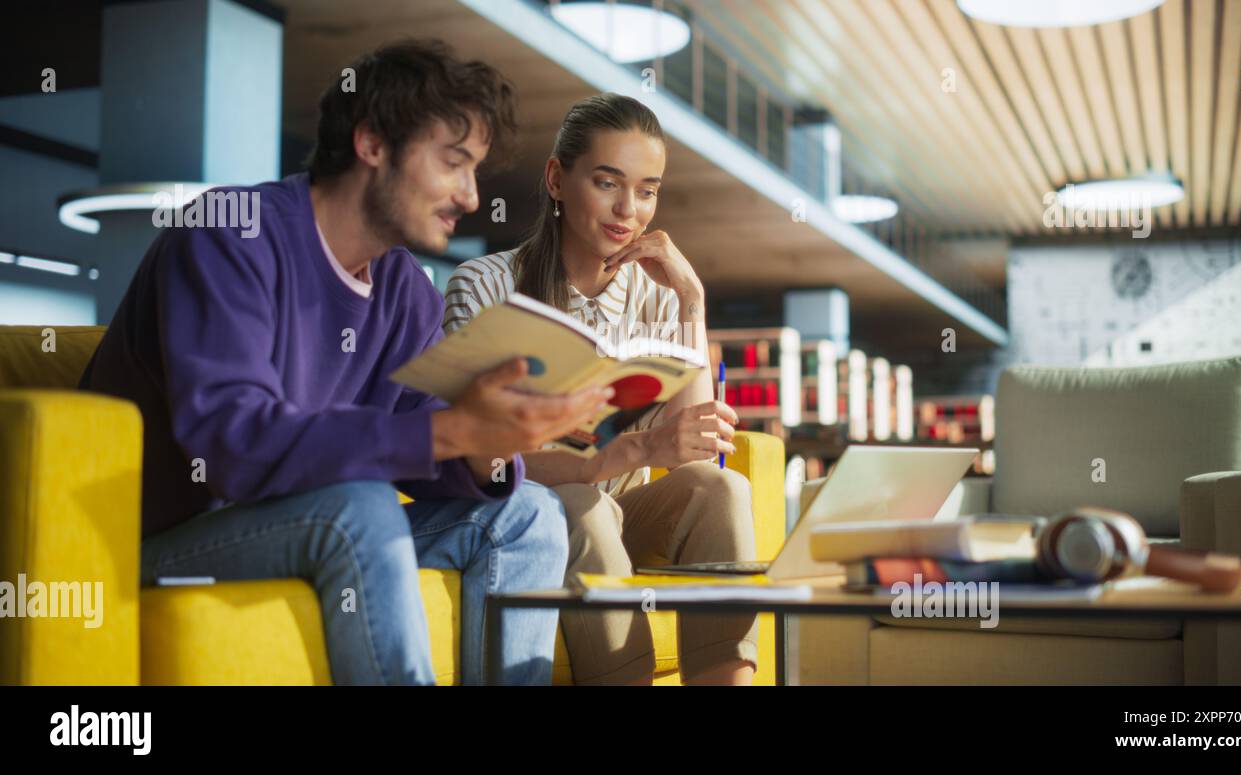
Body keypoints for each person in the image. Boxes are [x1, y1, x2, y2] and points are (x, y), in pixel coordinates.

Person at [79, 40, 610, 686]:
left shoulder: (405, 288)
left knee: (529, 513)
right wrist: (448, 431)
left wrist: (487, 441)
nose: (470, 197)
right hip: (166, 539)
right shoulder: (229, 234)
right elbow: (230, 442)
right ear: (373, 144)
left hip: (311, 522)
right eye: (454, 163)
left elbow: (430, 427)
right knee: (361, 504)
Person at [444, 93, 758, 686]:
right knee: (582, 502)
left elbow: (695, 443)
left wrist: (692, 303)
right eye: (608, 183)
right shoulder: (483, 285)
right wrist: (624, 453)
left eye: (647, 190)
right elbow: (480, 459)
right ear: (558, 180)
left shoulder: (659, 295)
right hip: (533, 515)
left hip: (623, 517)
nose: (628, 210)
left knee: (722, 487)